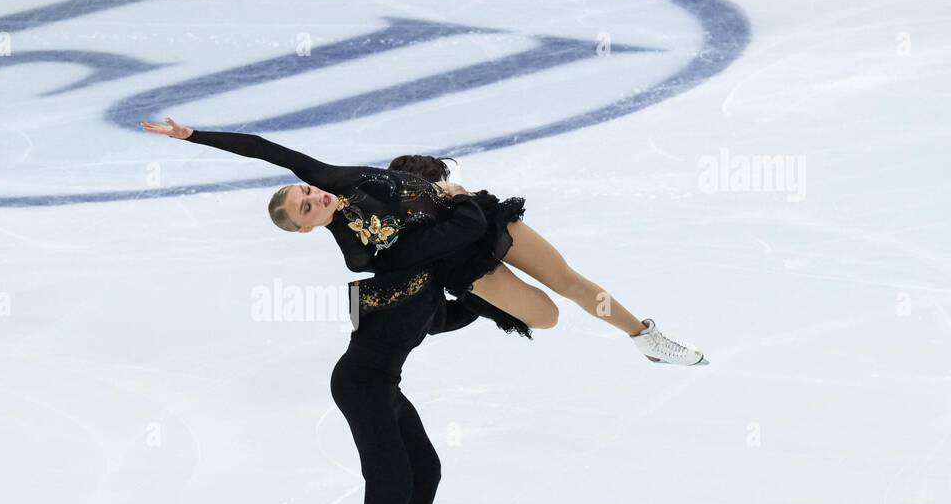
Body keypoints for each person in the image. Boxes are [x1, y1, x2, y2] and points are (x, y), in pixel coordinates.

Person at [142, 118, 708, 364]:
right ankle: (492, 302)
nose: (315, 197)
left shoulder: (337, 177)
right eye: (306, 207)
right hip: (465, 258)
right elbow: (421, 262)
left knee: (572, 283)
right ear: (307, 228)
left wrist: (192, 135)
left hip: (487, 224)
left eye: (305, 190)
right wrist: (453, 207)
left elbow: (266, 148)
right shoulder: (359, 252)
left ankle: (645, 336)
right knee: (547, 316)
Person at [331, 191, 489, 504]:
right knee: (392, 486)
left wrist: (492, 304)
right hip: (361, 386)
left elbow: (440, 318)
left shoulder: (419, 287)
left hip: (385, 388)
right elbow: (408, 303)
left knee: (426, 472)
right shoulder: (391, 282)